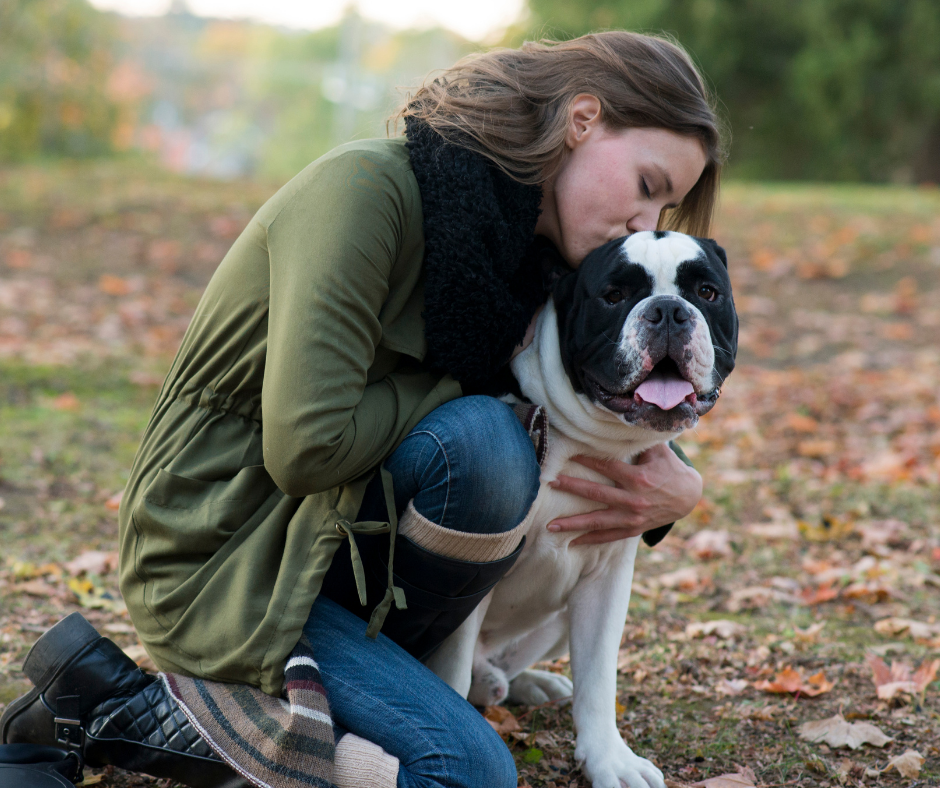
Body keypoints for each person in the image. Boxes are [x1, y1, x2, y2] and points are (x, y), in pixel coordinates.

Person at [2, 30, 724, 788]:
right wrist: (486, 400)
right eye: (647, 186)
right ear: (582, 120)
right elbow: (308, 445)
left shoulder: (528, 251)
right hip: (234, 555)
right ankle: (124, 709)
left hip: (345, 546)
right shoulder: (367, 193)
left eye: (666, 207)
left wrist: (678, 488)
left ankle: (342, 698)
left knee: (490, 443)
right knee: (468, 771)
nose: (647, 226)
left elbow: (581, 395)